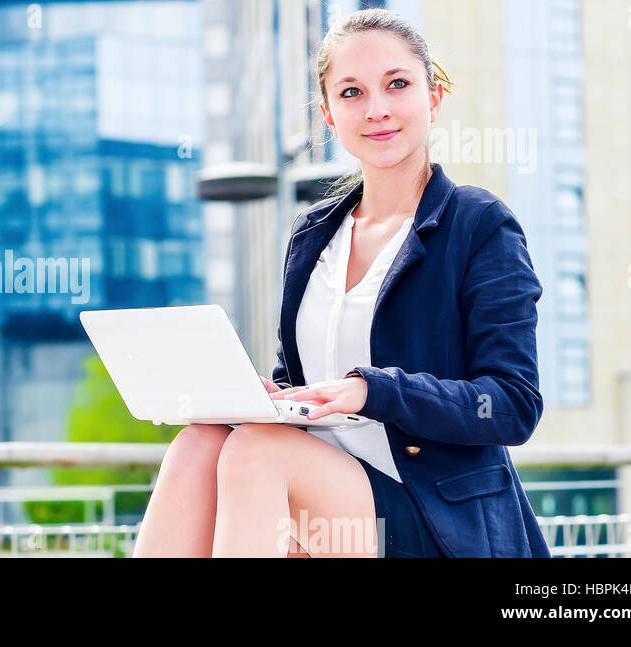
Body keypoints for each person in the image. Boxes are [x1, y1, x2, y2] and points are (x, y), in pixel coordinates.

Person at [132, 8, 549, 558]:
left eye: (397, 84)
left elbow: (513, 403)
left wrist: (375, 390)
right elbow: (299, 380)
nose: (376, 109)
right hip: (325, 493)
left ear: (433, 97)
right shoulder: (314, 234)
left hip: (435, 515)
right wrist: (264, 398)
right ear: (329, 116)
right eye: (351, 93)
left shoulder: (478, 224)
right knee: (199, 444)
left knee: (257, 452)